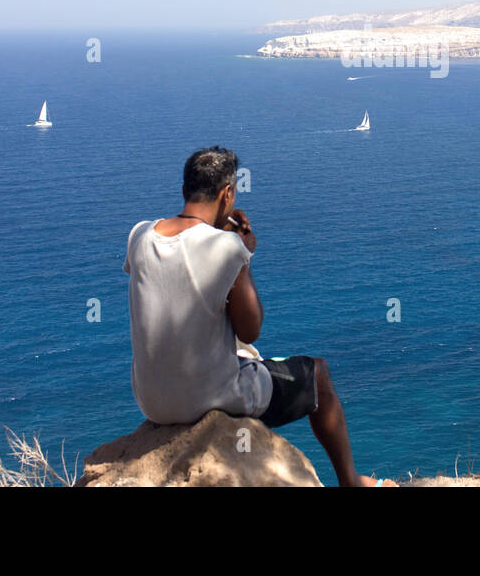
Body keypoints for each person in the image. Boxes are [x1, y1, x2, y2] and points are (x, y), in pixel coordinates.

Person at [123, 145, 394, 487]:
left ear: (184, 191)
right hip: (207, 399)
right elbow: (251, 330)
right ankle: (351, 482)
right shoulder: (228, 248)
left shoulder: (140, 235)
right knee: (318, 375)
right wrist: (242, 256)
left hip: (152, 402)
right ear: (228, 194)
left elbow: (174, 279)